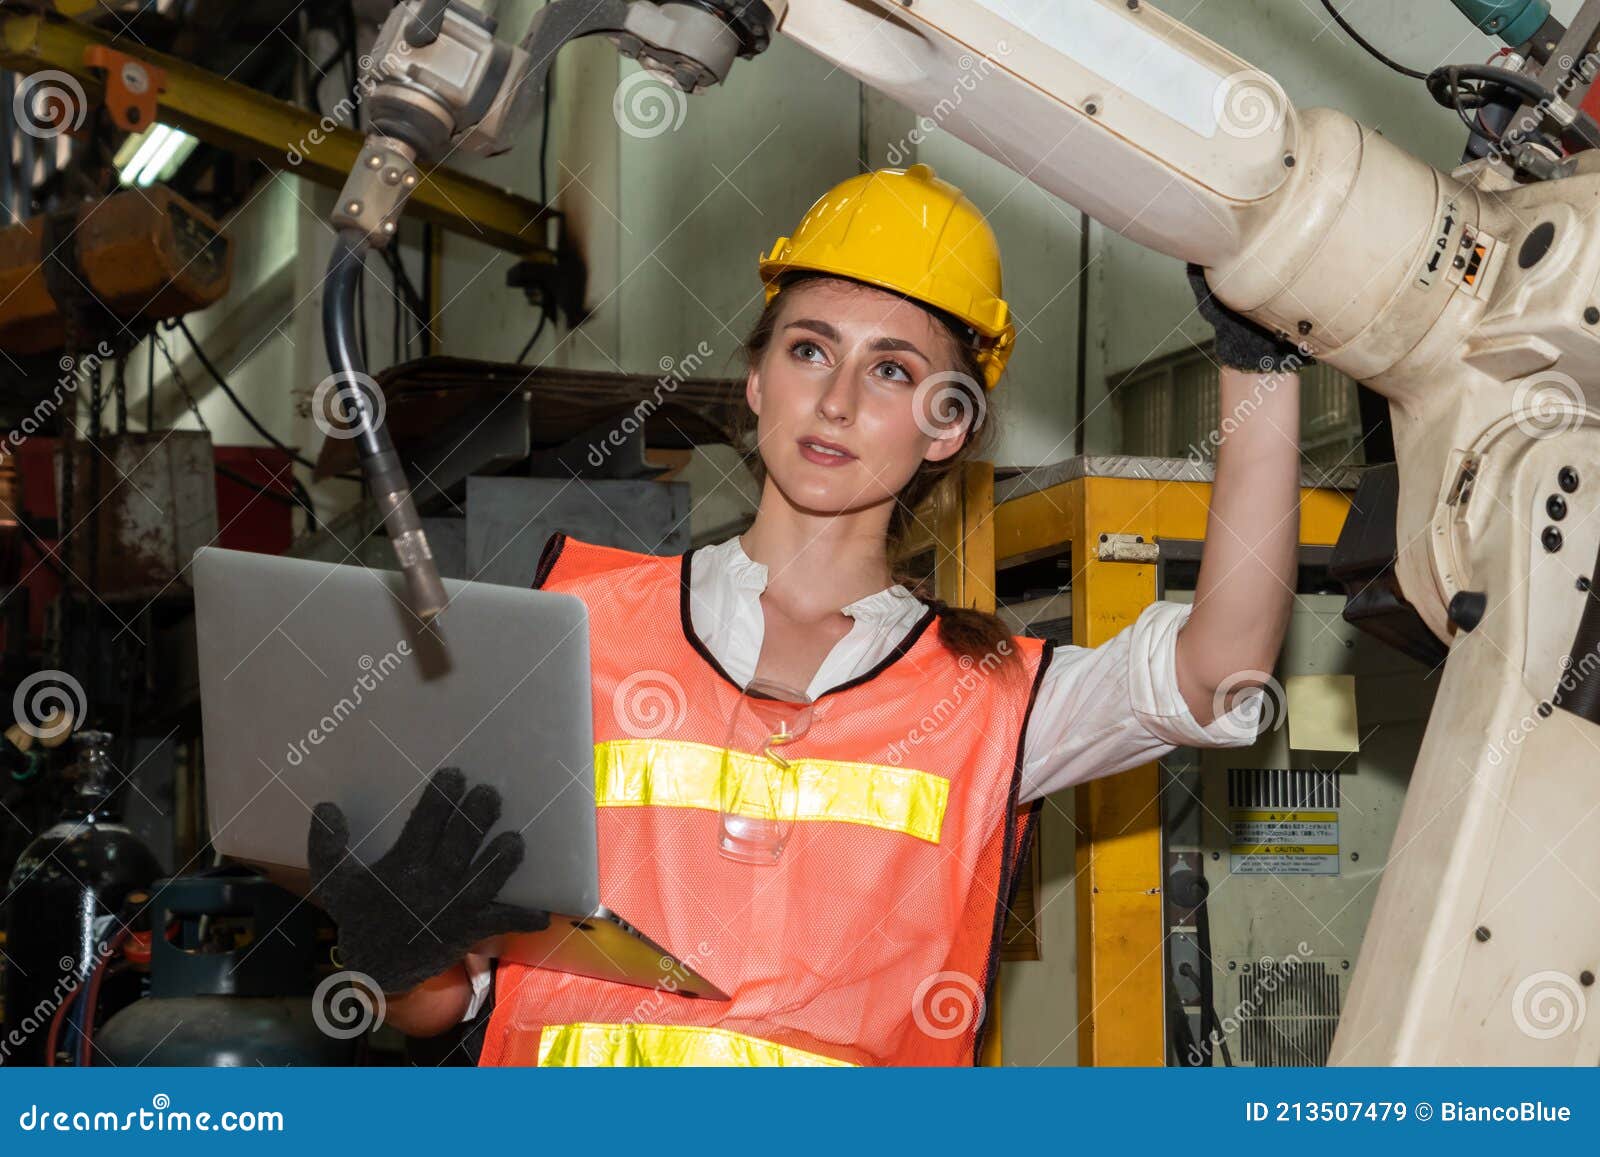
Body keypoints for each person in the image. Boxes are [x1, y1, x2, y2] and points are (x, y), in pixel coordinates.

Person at [308, 163, 1303, 1067]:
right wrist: (397, 951)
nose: (833, 400)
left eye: (891, 371)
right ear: (756, 379)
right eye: (809, 349)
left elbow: (1215, 673)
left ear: (945, 426)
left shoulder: (990, 700)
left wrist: (1260, 364)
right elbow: (447, 1001)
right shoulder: (572, 627)